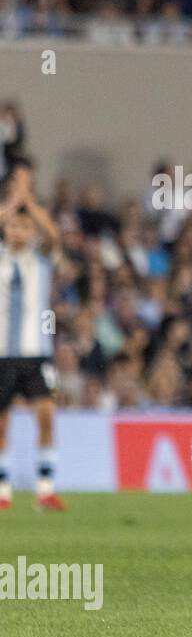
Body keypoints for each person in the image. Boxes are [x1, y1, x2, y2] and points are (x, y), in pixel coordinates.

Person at [0, 157, 65, 511]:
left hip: (38, 352)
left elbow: (54, 235)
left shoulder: (42, 260)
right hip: (2, 353)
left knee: (46, 416)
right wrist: (16, 199)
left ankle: (44, 489)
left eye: (25, 228)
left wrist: (28, 202)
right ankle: (3, 493)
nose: (19, 232)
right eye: (14, 227)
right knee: (1, 424)